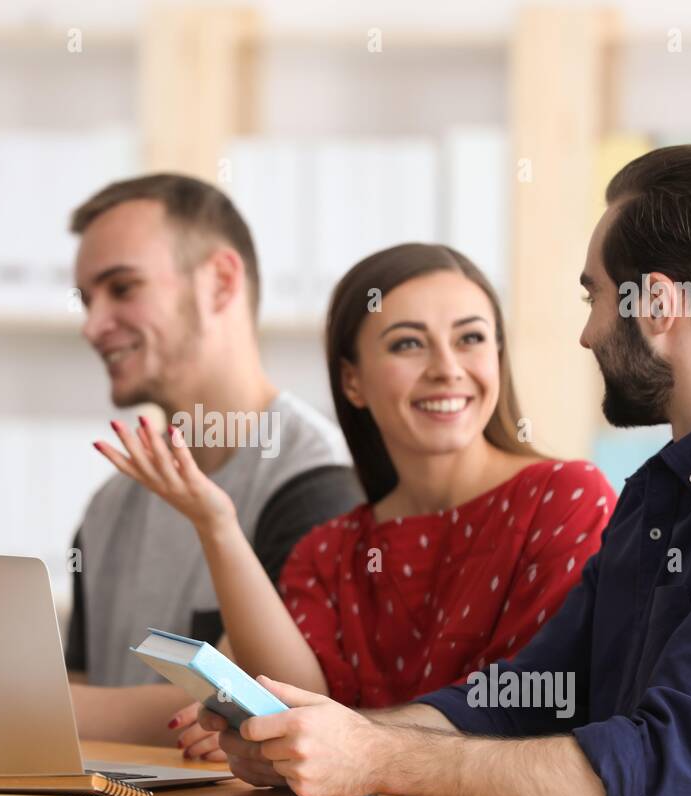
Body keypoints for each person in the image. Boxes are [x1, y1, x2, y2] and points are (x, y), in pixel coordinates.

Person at [198, 145, 691, 796]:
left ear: (657, 307)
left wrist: (374, 758)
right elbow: (523, 697)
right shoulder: (664, 489)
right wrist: (322, 733)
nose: (587, 332)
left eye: (594, 296)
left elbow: (658, 775)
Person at [99, 243, 615, 759]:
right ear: (353, 381)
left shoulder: (566, 498)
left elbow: (533, 714)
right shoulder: (328, 551)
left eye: (471, 338)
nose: (447, 368)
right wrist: (216, 524)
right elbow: (291, 707)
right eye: (409, 344)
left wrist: (324, 740)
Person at [66, 173, 364, 747]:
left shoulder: (317, 485)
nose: (91, 325)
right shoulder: (107, 508)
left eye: (122, 288)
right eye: (85, 299)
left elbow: (261, 703)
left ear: (221, 281)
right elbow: (90, 692)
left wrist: (15, 704)